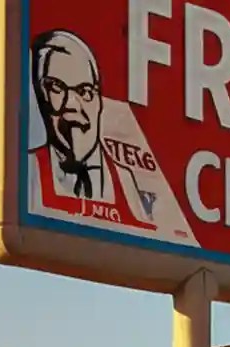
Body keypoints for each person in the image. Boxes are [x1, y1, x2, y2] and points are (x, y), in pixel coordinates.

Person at [27, 29, 156, 230]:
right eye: (56, 88)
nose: (72, 105)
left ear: (99, 101)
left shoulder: (128, 185)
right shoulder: (28, 174)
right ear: (40, 95)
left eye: (84, 91)